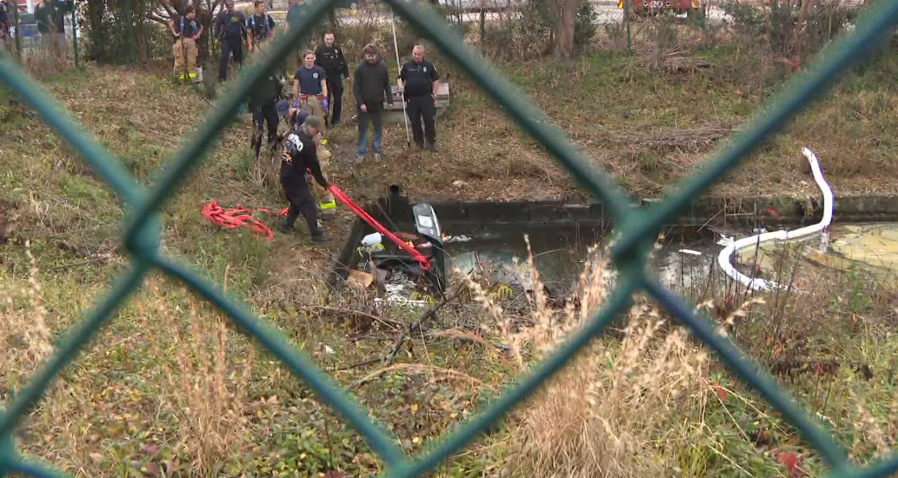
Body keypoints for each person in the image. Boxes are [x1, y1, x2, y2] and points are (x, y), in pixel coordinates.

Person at [280, 114, 331, 244]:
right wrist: (324, 183)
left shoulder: (294, 133)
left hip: (285, 173)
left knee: (297, 202)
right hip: (294, 178)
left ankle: (286, 226)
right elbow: (314, 168)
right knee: (308, 205)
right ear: (309, 127)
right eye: (317, 130)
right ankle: (316, 235)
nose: (318, 134)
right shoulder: (308, 144)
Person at [352, 44, 393, 162]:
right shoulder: (360, 69)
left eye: (373, 55)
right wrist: (361, 103)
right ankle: (361, 153)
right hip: (364, 106)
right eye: (368, 56)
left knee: (377, 128)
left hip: (377, 104)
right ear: (365, 55)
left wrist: (389, 100)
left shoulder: (382, 68)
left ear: (377, 55)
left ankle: (377, 151)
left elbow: (387, 85)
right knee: (363, 129)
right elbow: (356, 89)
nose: (371, 58)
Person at [398, 45, 441, 152]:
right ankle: (419, 143)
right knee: (415, 121)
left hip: (426, 97)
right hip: (412, 98)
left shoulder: (429, 65)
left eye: (419, 54)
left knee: (429, 120)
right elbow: (399, 78)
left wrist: (434, 94)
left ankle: (431, 142)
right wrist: (400, 86)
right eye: (414, 54)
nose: (416, 56)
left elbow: (436, 79)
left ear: (423, 54)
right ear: (412, 53)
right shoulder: (406, 66)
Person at [314, 33, 350, 126]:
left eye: (331, 39)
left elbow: (343, 61)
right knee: (326, 98)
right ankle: (325, 120)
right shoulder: (319, 50)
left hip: (336, 75)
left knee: (338, 98)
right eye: (327, 39)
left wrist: (346, 75)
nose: (329, 41)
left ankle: (336, 120)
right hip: (325, 77)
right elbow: (315, 65)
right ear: (324, 39)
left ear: (333, 39)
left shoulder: (337, 49)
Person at [247, 68, 283, 160]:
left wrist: (280, 99)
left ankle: (272, 153)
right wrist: (250, 106)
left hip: (271, 104)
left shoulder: (274, 72)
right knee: (258, 130)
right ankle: (255, 155)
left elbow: (279, 86)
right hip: (258, 105)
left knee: (273, 127)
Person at [215, 0, 246, 82]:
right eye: (228, 5)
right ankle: (222, 79)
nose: (230, 6)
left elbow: (244, 28)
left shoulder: (239, 15)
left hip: (237, 39)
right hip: (226, 40)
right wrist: (216, 38)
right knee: (224, 58)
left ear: (234, 5)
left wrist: (246, 39)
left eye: (231, 5)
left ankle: (240, 77)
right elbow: (217, 26)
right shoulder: (222, 15)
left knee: (238, 59)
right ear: (226, 6)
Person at [170, 6, 203, 81]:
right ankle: (179, 80)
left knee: (192, 62)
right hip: (181, 40)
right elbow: (171, 25)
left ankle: (193, 80)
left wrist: (197, 35)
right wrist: (175, 34)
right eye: (193, 12)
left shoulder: (195, 21)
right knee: (180, 62)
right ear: (189, 13)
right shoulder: (180, 19)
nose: (194, 14)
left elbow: (201, 27)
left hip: (191, 41)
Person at [293, 50, 328, 120]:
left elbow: (324, 85)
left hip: (317, 98)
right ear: (304, 59)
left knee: (319, 119)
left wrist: (325, 97)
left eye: (312, 58)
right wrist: (295, 99)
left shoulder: (319, 70)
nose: (310, 60)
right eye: (308, 58)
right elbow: (296, 86)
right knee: (306, 120)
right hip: (304, 99)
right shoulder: (299, 72)